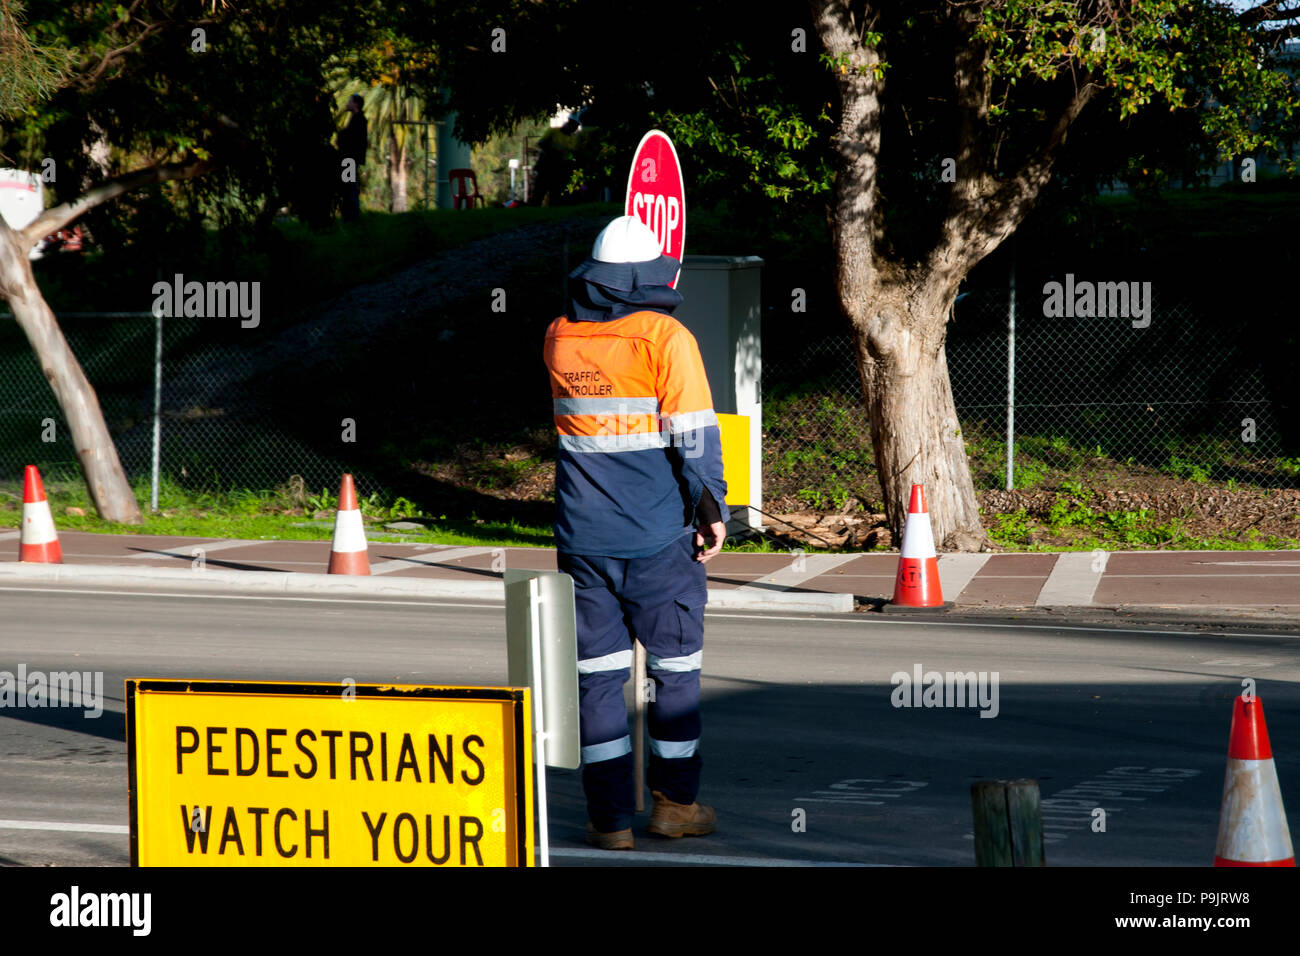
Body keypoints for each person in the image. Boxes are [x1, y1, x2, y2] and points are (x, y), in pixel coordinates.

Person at [542, 215, 728, 850]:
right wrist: (712, 509)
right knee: (674, 672)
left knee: (597, 677)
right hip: (658, 537)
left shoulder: (559, 339)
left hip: (582, 541)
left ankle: (609, 820)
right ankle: (675, 805)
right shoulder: (665, 336)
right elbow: (694, 436)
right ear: (647, 277)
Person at [338, 93, 367, 222]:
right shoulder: (358, 119)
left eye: (350, 101)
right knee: (349, 185)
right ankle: (351, 214)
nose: (348, 103)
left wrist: (342, 135)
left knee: (349, 186)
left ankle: (351, 215)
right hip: (350, 158)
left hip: (349, 158)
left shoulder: (358, 120)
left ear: (355, 104)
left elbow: (351, 139)